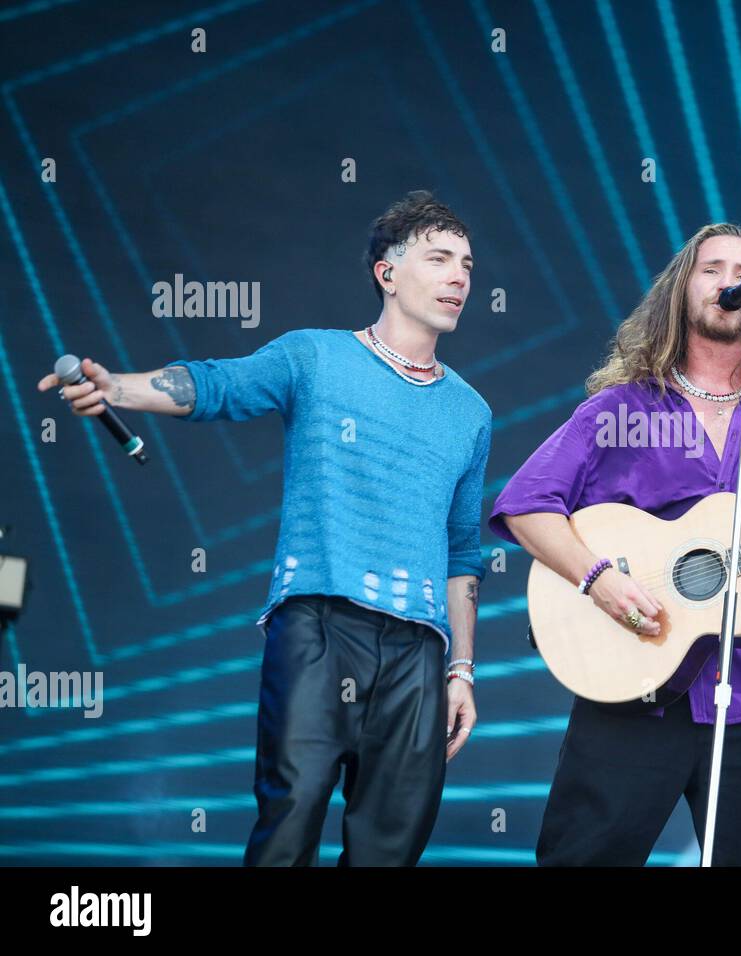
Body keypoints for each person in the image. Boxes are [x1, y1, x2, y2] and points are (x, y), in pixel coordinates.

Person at [38, 190, 491, 866]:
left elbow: (461, 552)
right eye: (439, 258)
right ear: (387, 273)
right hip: (319, 623)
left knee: (391, 847)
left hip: (419, 651)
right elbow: (219, 386)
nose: (459, 276)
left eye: (467, 264)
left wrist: (462, 671)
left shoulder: (471, 412)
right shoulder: (314, 357)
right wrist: (117, 389)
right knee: (291, 816)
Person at [489, 222, 741, 866]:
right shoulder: (622, 408)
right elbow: (525, 505)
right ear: (682, 287)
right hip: (631, 680)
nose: (728, 282)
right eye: (712, 269)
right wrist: (599, 578)